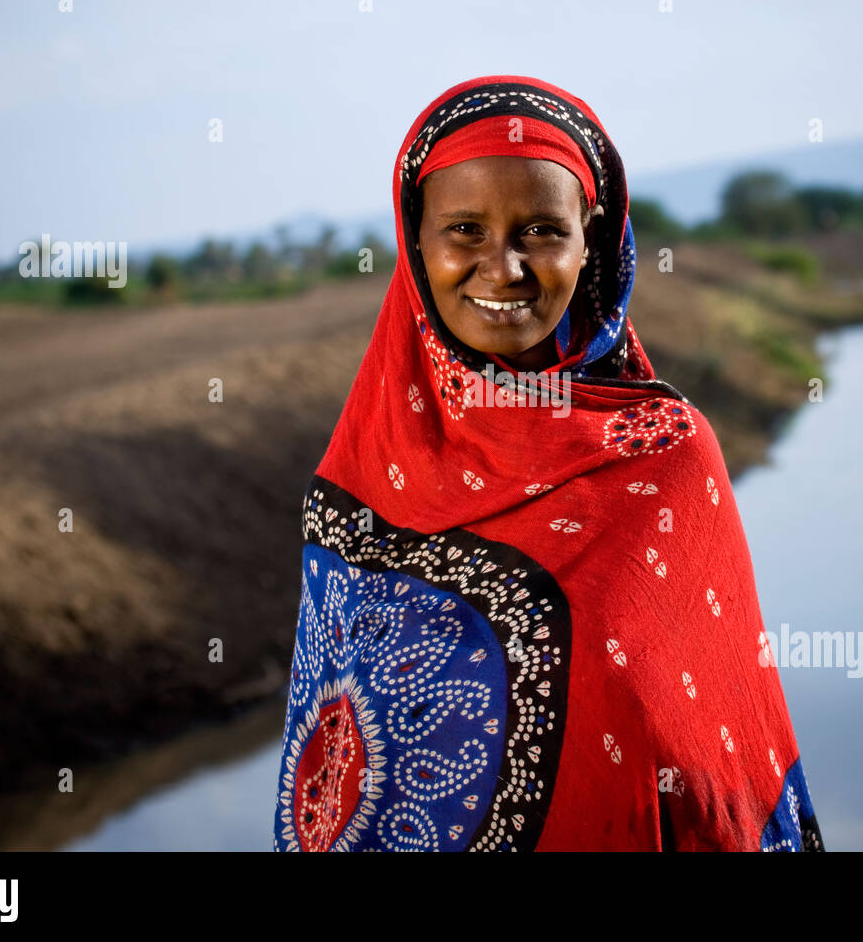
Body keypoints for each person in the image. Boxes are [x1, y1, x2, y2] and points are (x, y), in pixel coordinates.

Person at [273, 74, 824, 852]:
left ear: (590, 240)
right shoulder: (359, 486)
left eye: (540, 231)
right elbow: (327, 775)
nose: (503, 268)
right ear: (415, 240)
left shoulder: (666, 461)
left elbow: (721, 761)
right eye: (465, 229)